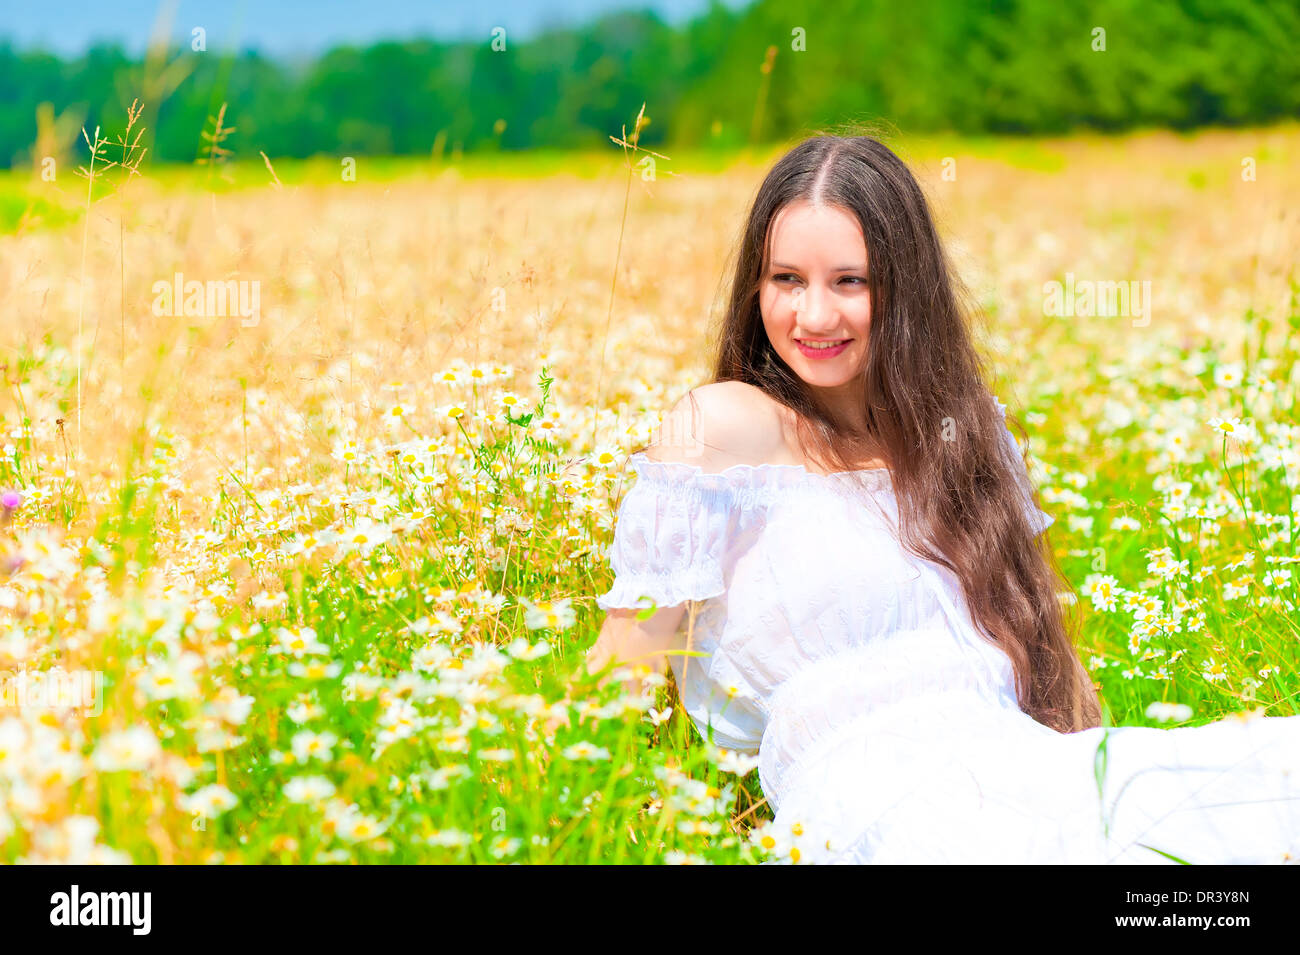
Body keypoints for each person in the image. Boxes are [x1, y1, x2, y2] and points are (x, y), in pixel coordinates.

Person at [583, 134, 1300, 864]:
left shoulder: (961, 431)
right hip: (873, 810)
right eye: (787, 279)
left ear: (905, 286)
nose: (814, 315)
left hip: (1032, 770)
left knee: (1267, 778)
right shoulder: (722, 432)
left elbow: (1050, 662)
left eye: (850, 282)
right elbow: (617, 684)